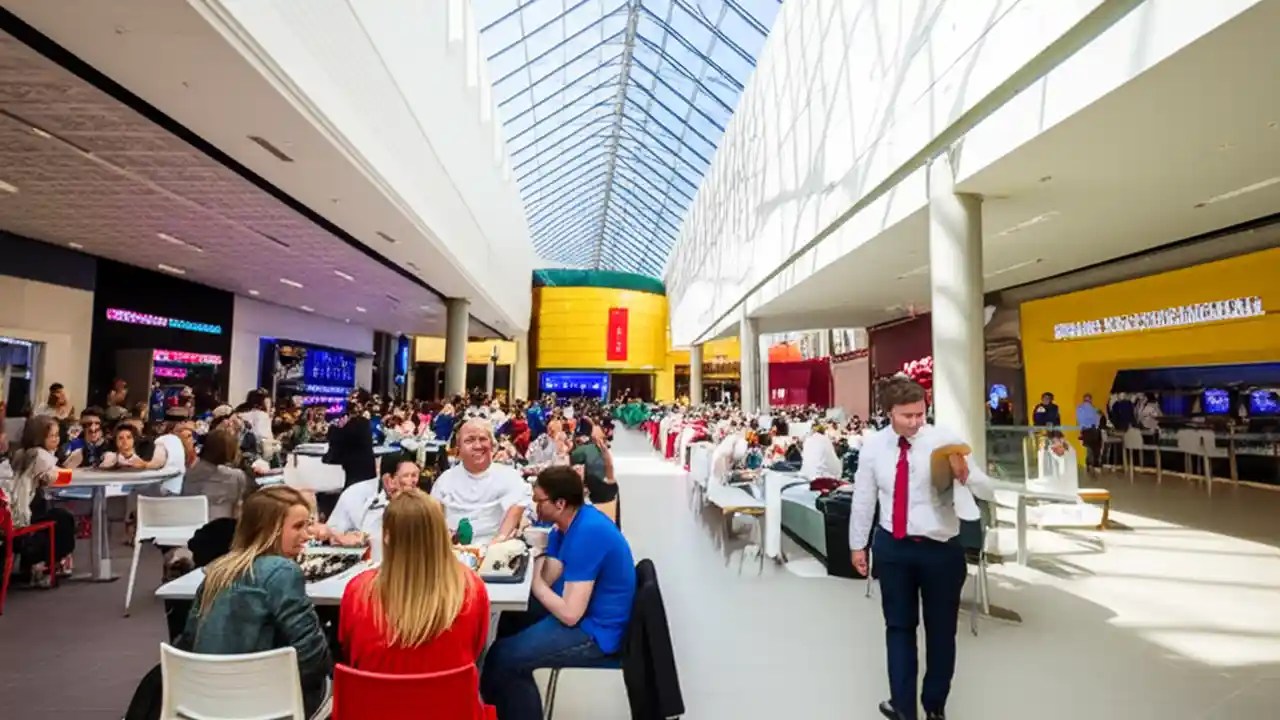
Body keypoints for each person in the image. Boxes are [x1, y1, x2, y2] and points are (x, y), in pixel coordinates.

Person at [849, 376, 993, 720]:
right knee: (898, 627)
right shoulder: (873, 447)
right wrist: (858, 545)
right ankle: (903, 707)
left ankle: (934, 705)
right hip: (893, 548)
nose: (915, 421)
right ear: (889, 414)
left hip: (940, 551)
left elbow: (987, 488)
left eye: (920, 414)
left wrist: (966, 474)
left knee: (942, 631)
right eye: (907, 415)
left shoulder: (946, 441)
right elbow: (865, 497)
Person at [481, 466, 636, 719]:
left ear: (560, 503)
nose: (534, 506)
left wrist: (537, 585)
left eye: (539, 500)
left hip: (596, 632)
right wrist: (539, 550)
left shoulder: (588, 532)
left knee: (503, 659)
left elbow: (570, 614)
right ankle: (503, 704)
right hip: (585, 613)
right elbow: (551, 572)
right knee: (511, 618)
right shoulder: (569, 524)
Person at [176, 486, 331, 716]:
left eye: (307, 525)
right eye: (298, 527)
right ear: (270, 530)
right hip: (265, 705)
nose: (307, 535)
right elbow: (313, 656)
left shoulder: (218, 571)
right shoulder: (283, 571)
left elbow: (188, 642)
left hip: (204, 704)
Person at [339, 488, 490, 673]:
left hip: (376, 700)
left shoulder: (357, 592)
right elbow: (475, 652)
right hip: (449, 700)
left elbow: (350, 653)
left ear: (387, 536)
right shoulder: (471, 589)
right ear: (442, 533)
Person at [1, 414, 77, 584]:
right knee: (63, 518)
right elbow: (59, 477)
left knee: (51, 511)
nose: (56, 439)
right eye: (51, 436)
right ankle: (42, 562)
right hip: (22, 516)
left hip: (13, 512)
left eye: (58, 435)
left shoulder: (20, 453)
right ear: (39, 436)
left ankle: (31, 565)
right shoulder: (40, 455)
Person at [430, 420, 530, 543]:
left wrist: (494, 546)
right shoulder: (444, 481)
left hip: (496, 550)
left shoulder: (510, 477)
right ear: (458, 449)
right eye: (469, 440)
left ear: (492, 445)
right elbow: (434, 520)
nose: (478, 446)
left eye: (483, 439)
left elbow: (515, 512)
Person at [314, 459, 421, 560]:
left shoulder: (421, 503)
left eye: (415, 476)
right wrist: (343, 538)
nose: (413, 482)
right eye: (406, 476)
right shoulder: (356, 494)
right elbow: (331, 532)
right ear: (389, 480)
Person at [181, 427, 249, 520]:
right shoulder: (236, 476)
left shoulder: (187, 474)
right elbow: (239, 509)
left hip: (191, 525)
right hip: (222, 528)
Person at [569, 418, 618, 521]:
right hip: (607, 492)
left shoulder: (586, 450)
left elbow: (572, 459)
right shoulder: (605, 451)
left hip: (597, 491)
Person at [1076, 393, 1103, 472]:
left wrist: (1081, 430)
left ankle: (1088, 463)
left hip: (1085, 430)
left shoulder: (1080, 408)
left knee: (1089, 448)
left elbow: (1080, 420)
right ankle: (1095, 464)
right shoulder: (1094, 409)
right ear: (1091, 400)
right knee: (1095, 448)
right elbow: (1098, 419)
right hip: (1093, 430)